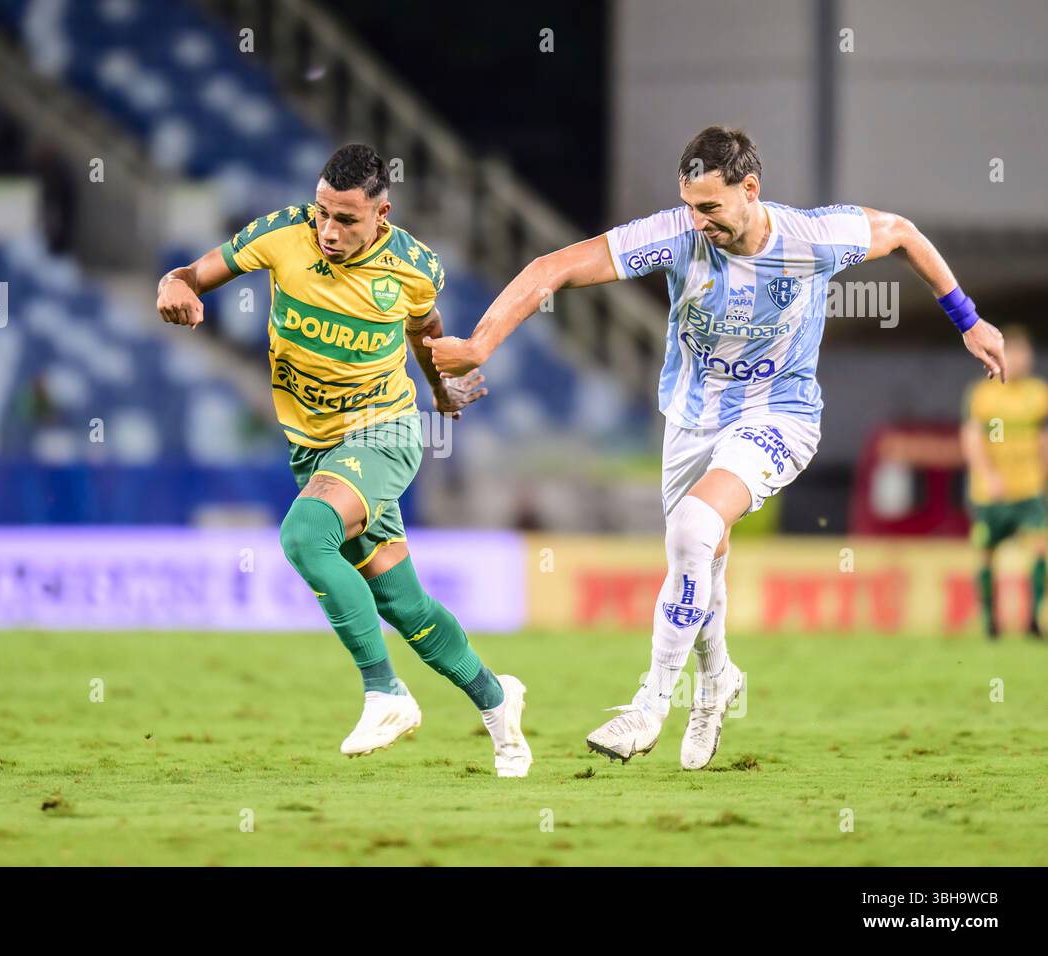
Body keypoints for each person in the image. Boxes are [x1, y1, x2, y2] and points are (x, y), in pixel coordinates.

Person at [426, 126, 1006, 769]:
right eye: (689, 205)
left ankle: (650, 705)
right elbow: (552, 268)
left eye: (710, 207)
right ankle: (718, 683)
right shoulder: (677, 233)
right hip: (691, 420)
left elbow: (900, 232)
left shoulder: (812, 238)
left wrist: (968, 319)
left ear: (749, 190)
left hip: (780, 416)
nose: (697, 220)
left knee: (696, 527)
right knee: (700, 558)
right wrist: (480, 345)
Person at [155, 144, 531, 777]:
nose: (329, 231)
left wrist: (440, 389)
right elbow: (192, 274)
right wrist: (171, 286)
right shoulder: (281, 234)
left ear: (382, 214)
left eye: (347, 220)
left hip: (384, 433)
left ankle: (385, 692)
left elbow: (424, 326)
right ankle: (500, 705)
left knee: (304, 535)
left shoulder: (414, 267)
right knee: (404, 605)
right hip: (313, 449)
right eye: (323, 213)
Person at [960, 325, 1048, 639]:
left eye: (1026, 353)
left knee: (1041, 550)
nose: (1022, 358)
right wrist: (988, 476)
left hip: (1029, 488)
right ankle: (989, 622)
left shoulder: (1038, 394)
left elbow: (1042, 439)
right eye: (1015, 351)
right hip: (991, 493)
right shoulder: (983, 394)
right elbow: (971, 440)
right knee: (986, 552)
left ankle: (1033, 621)